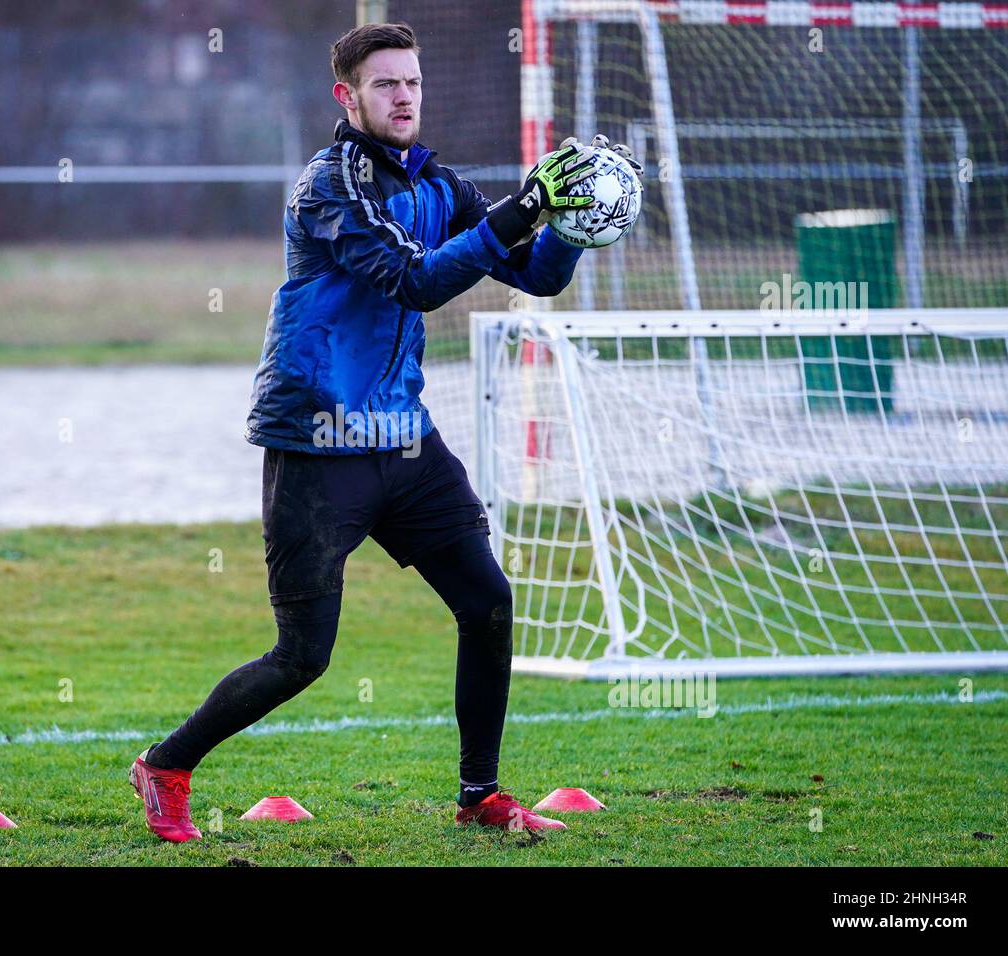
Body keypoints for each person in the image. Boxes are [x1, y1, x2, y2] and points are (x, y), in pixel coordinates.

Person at [130, 20, 637, 842]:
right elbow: (416, 280)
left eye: (412, 82)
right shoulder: (327, 186)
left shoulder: (443, 185)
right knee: (303, 657)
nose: (404, 97)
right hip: (318, 440)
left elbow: (536, 273)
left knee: (488, 601)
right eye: (385, 85)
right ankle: (166, 764)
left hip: (403, 439)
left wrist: (584, 218)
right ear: (349, 96)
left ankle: (480, 793)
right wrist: (525, 206)